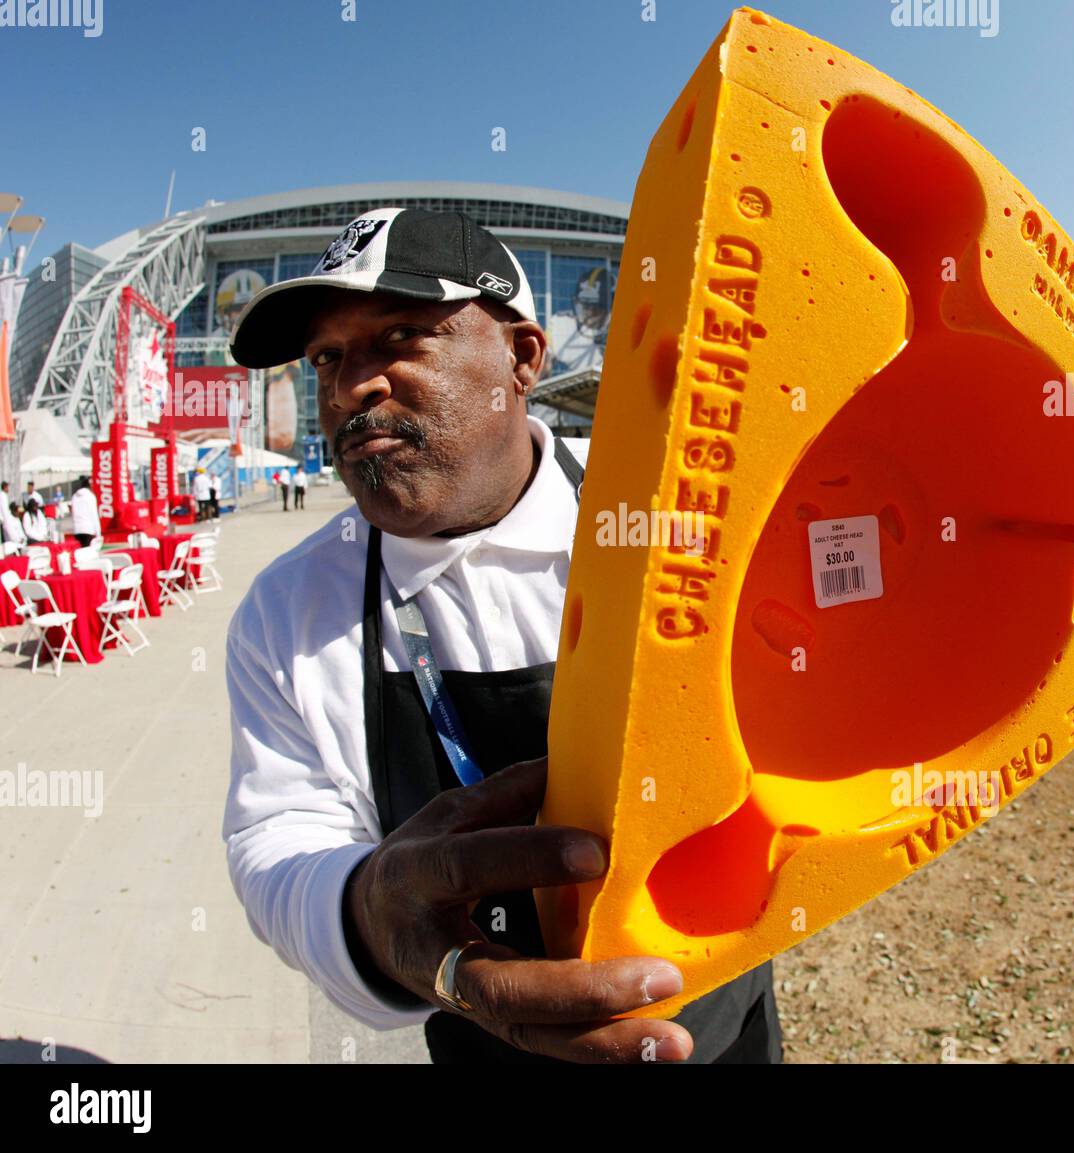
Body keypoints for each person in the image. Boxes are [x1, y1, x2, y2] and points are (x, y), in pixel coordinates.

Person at [222, 208, 781, 1065]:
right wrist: (364, 911)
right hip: (480, 1037)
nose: (348, 388)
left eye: (401, 334)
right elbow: (276, 835)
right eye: (328, 357)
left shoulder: (682, 509)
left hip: (719, 1028)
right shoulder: (286, 610)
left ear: (521, 359)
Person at [70, 476, 100, 548]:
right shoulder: (90, 496)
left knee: (81, 553)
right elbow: (94, 514)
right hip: (88, 529)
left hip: (77, 529)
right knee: (88, 553)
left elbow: (73, 513)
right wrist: (98, 532)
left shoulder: (74, 496)